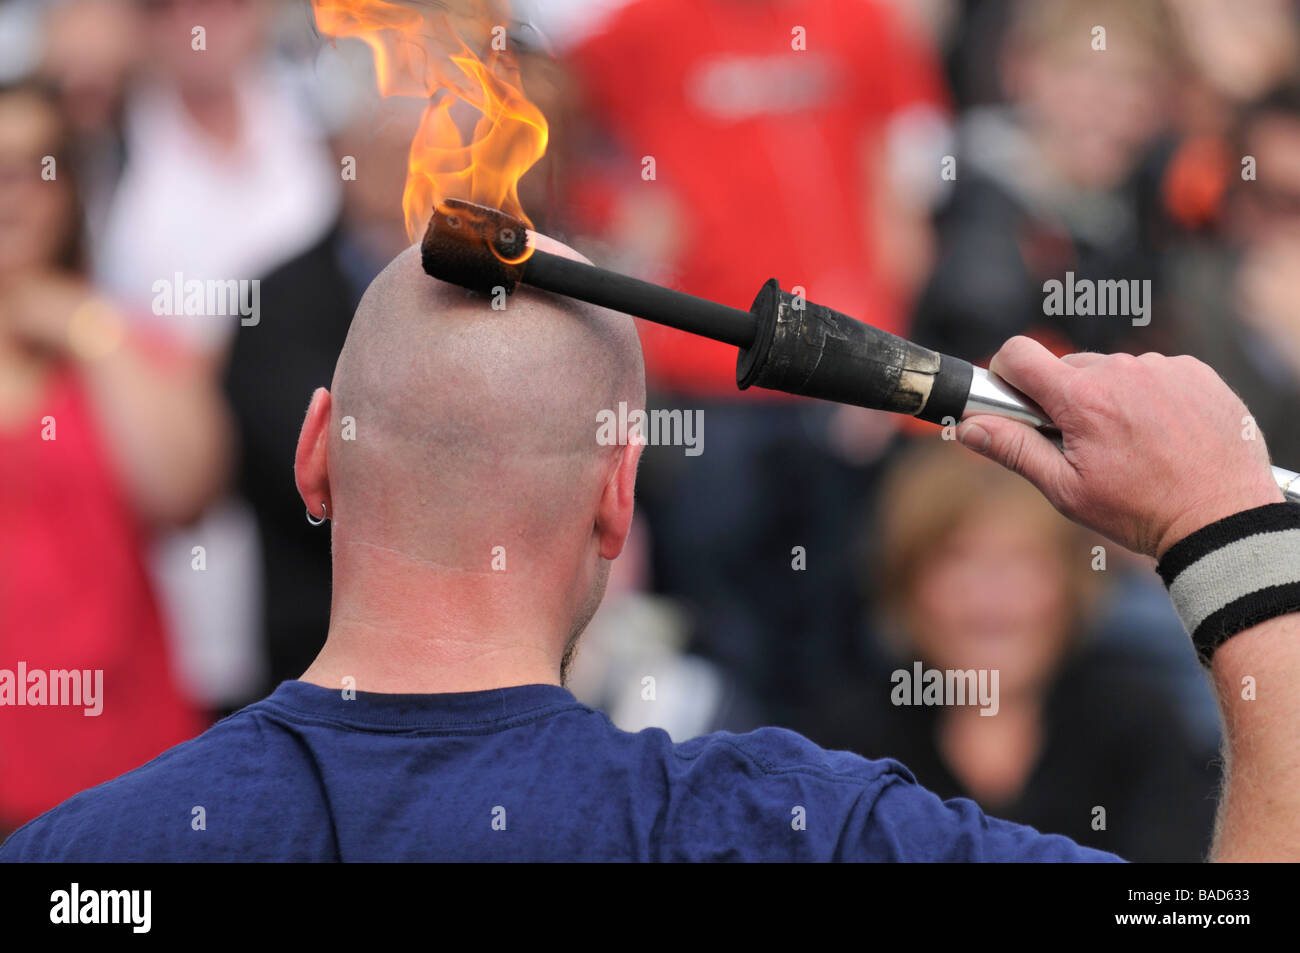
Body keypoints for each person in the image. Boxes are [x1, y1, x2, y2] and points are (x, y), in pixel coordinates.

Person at [1, 235, 1295, 860]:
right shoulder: (791, 832)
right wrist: (1222, 533)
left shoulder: (82, 860)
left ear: (315, 453)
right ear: (619, 497)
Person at [812, 440, 1219, 861]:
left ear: (1070, 588)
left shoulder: (1139, 727)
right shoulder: (846, 744)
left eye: (1022, 562)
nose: (991, 598)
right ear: (907, 586)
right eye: (957, 561)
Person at [0, 81, 221, 837]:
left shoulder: (123, 340)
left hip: (118, 770)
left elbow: (185, 491)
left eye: (34, 170)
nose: (12, 199)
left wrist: (88, 330)